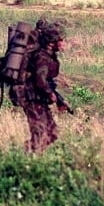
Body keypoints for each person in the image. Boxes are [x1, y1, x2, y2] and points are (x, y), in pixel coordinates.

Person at [17, 22, 70, 153]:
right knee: (40, 133)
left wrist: (58, 100)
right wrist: (50, 94)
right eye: (60, 40)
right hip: (31, 99)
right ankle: (27, 159)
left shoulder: (48, 56)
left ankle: (30, 155)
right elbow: (40, 81)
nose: (63, 43)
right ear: (52, 42)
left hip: (38, 99)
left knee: (52, 133)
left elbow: (46, 82)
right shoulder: (42, 57)